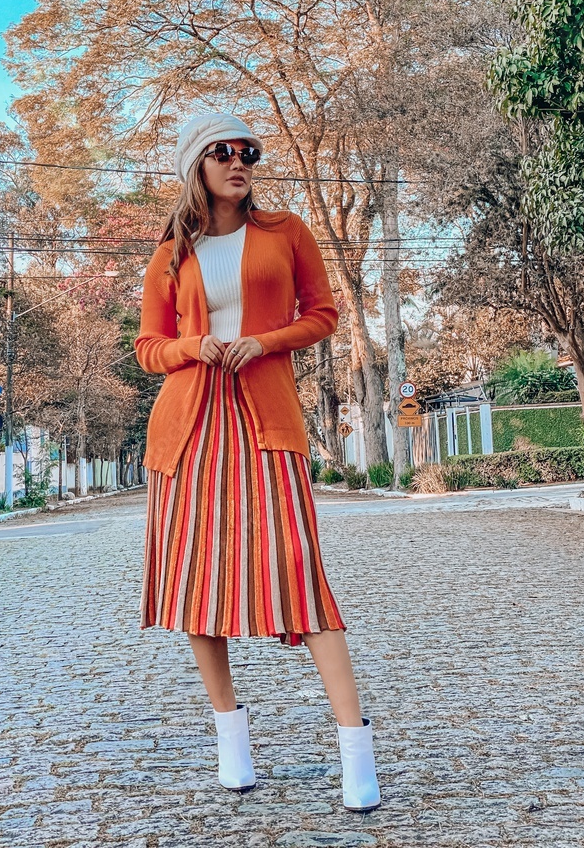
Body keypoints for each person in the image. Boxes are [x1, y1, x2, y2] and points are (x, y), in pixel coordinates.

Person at [134, 113, 381, 811]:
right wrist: (192, 347)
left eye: (248, 152)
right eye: (223, 152)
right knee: (195, 585)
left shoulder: (287, 232)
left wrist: (265, 340)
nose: (239, 161)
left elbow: (325, 313)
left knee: (301, 575)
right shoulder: (170, 253)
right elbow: (147, 346)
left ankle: (356, 751)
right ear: (197, 166)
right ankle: (231, 743)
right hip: (186, 432)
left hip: (266, 425)